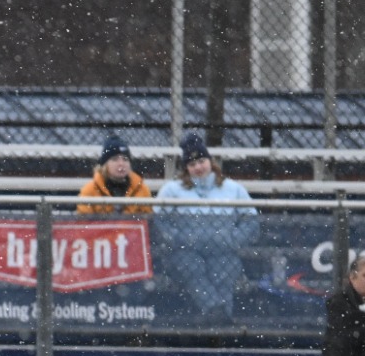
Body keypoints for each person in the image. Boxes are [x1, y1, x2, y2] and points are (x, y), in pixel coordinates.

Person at [153, 131, 258, 319]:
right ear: (186, 168)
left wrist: (233, 240)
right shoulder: (172, 190)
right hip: (185, 252)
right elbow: (159, 221)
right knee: (191, 267)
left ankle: (217, 319)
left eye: (202, 161)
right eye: (192, 164)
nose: (198, 167)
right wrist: (178, 239)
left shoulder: (233, 188)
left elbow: (250, 220)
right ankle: (217, 315)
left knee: (224, 270)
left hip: (223, 251)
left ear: (210, 161)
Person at [76, 134, 152, 215]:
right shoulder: (89, 191)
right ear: (104, 165)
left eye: (125, 159)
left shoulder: (142, 189)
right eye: (114, 159)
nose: (121, 164)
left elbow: (149, 223)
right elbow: (84, 224)